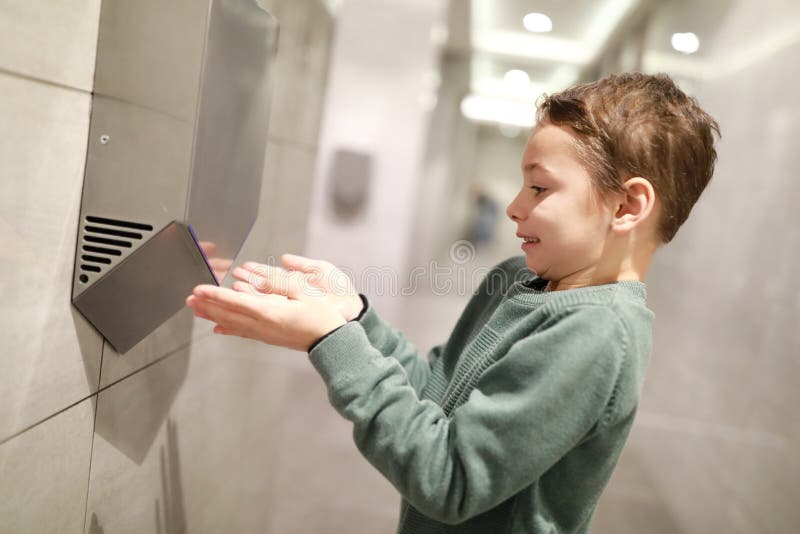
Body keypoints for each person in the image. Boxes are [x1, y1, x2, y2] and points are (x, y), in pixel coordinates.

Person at [185, 72, 720, 533]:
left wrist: (331, 340)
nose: (513, 207)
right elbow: (436, 394)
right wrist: (353, 318)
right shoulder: (519, 279)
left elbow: (450, 480)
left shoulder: (598, 334)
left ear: (627, 205)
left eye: (539, 189)